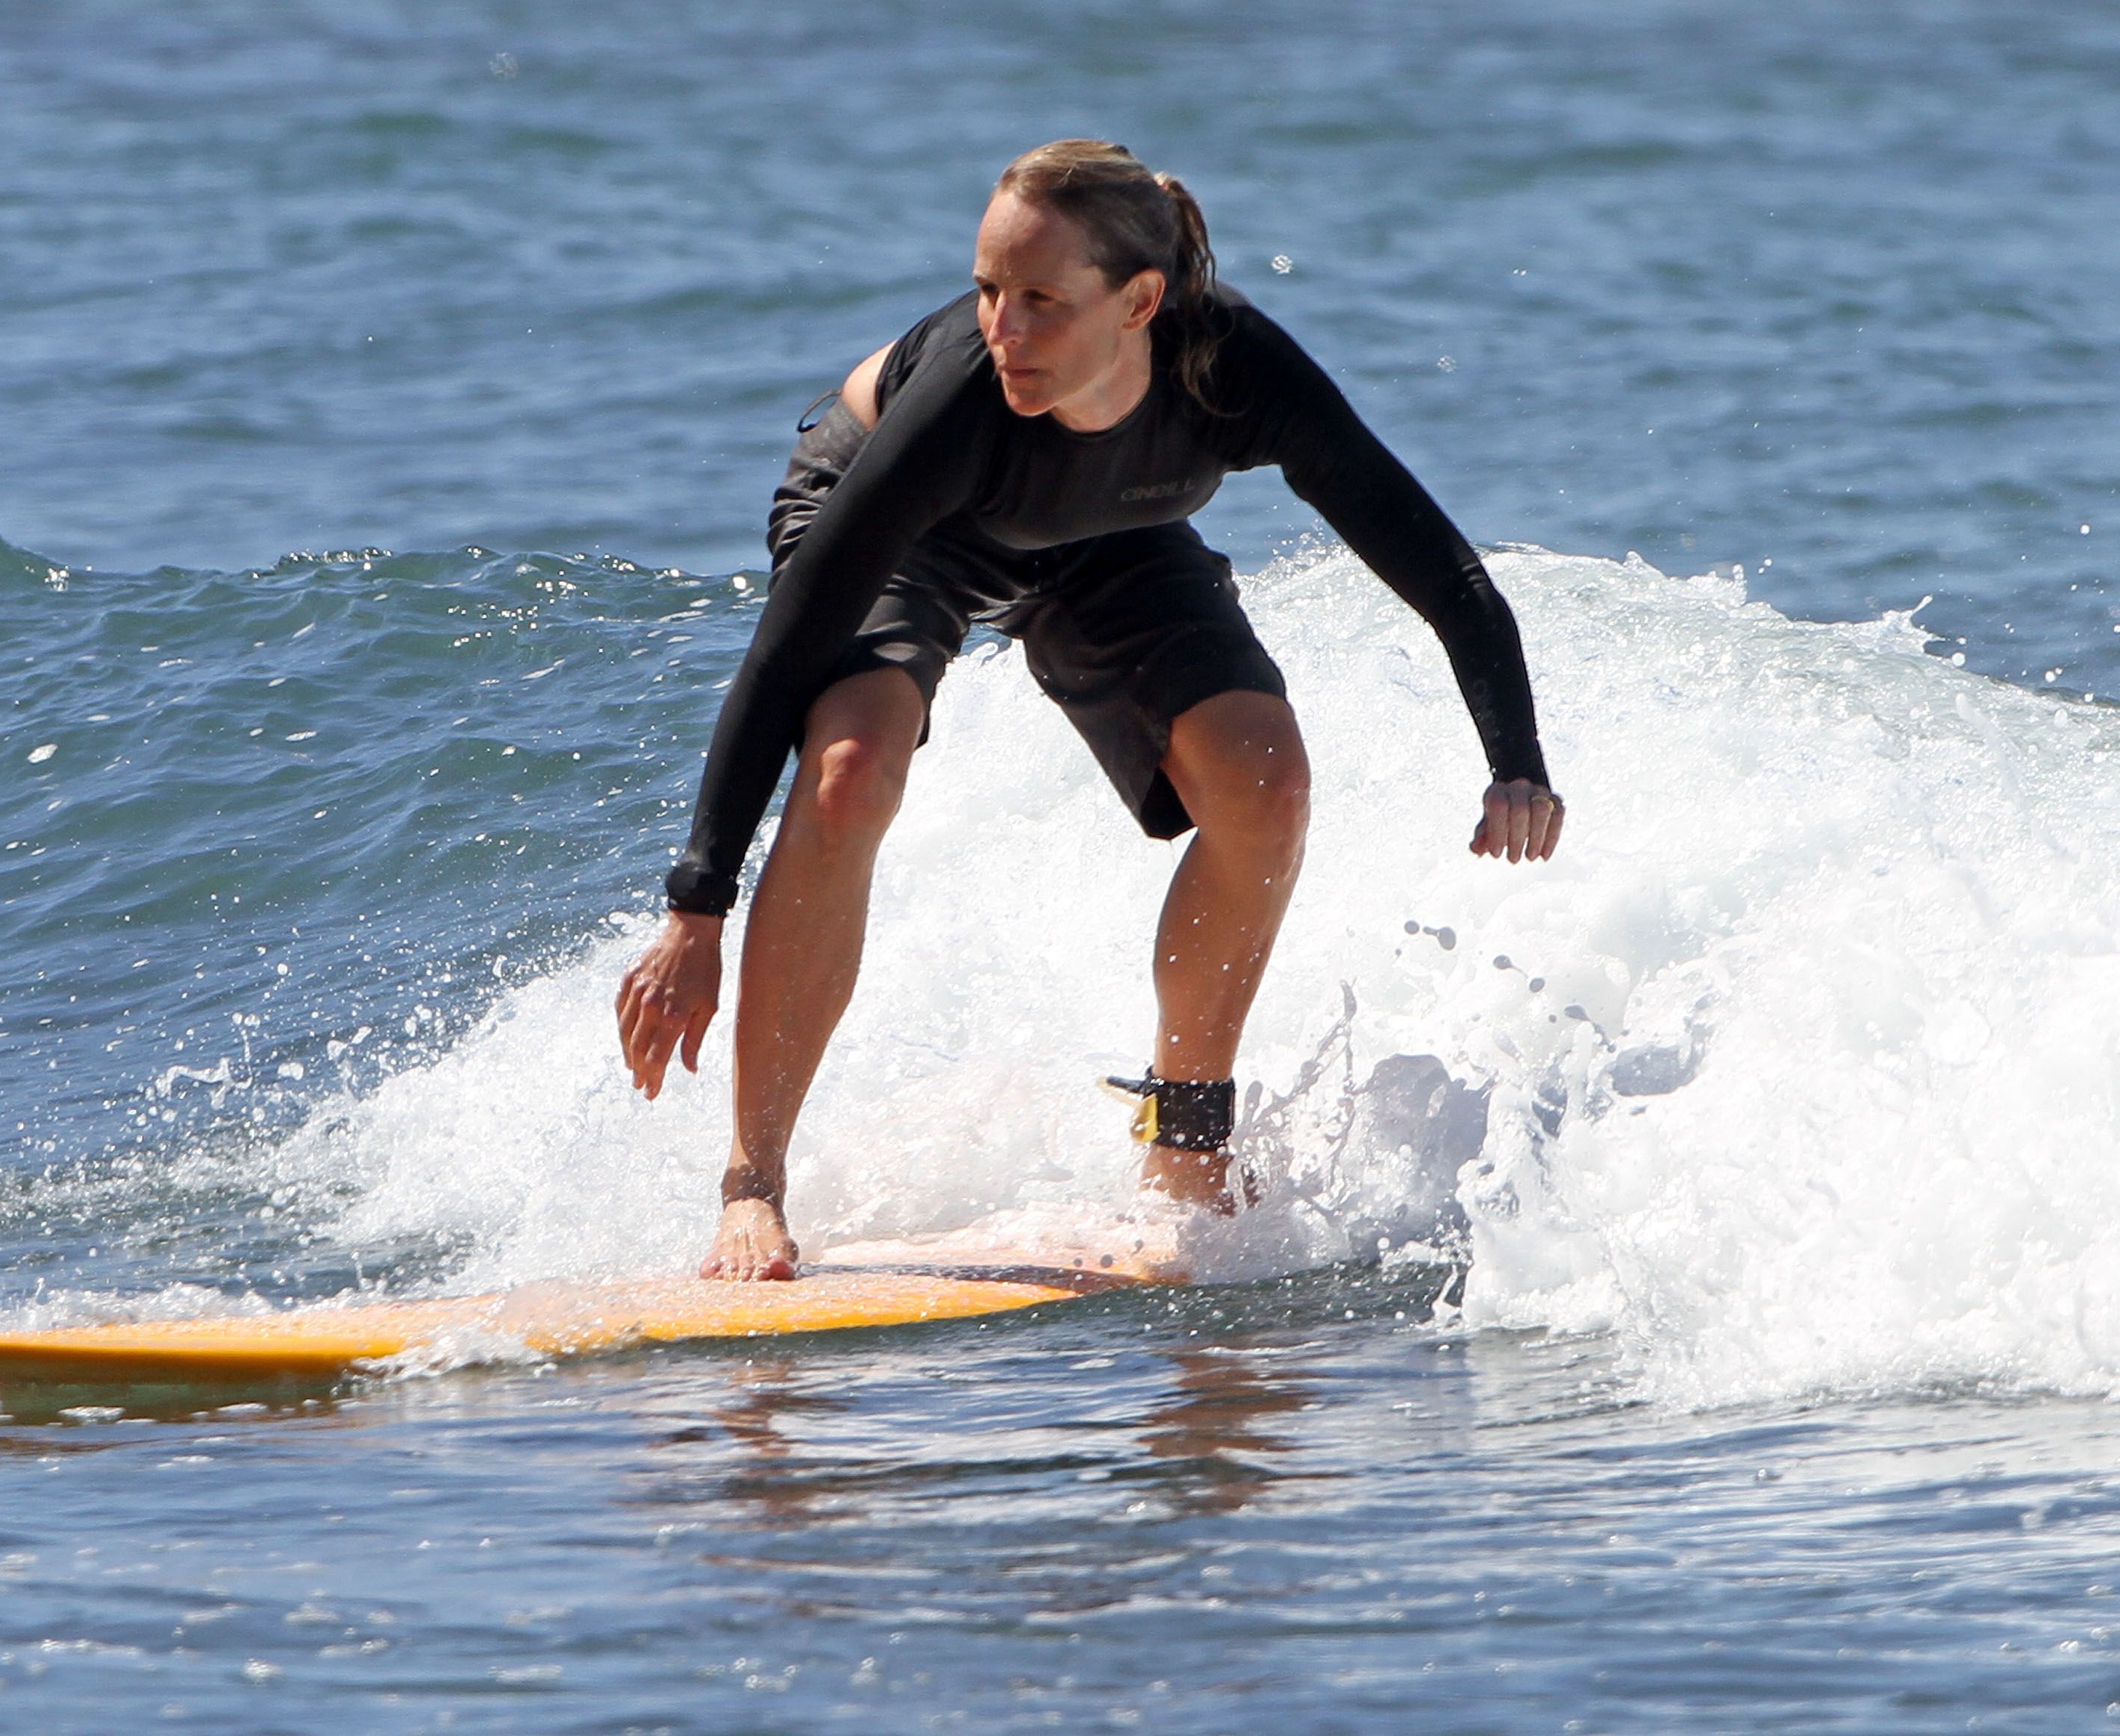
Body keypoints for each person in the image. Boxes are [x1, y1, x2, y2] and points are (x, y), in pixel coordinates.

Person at [616, 139, 1564, 1282]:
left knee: (1265, 779)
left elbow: (1442, 568)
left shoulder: (1231, 370)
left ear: (1140, 304)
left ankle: (1185, 1146)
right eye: (987, 291)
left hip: (1104, 532)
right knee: (851, 766)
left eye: (1041, 302)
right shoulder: (962, 399)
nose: (1003, 329)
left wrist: (1516, 759)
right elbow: (784, 655)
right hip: (909, 529)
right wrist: (697, 909)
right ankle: (753, 1185)